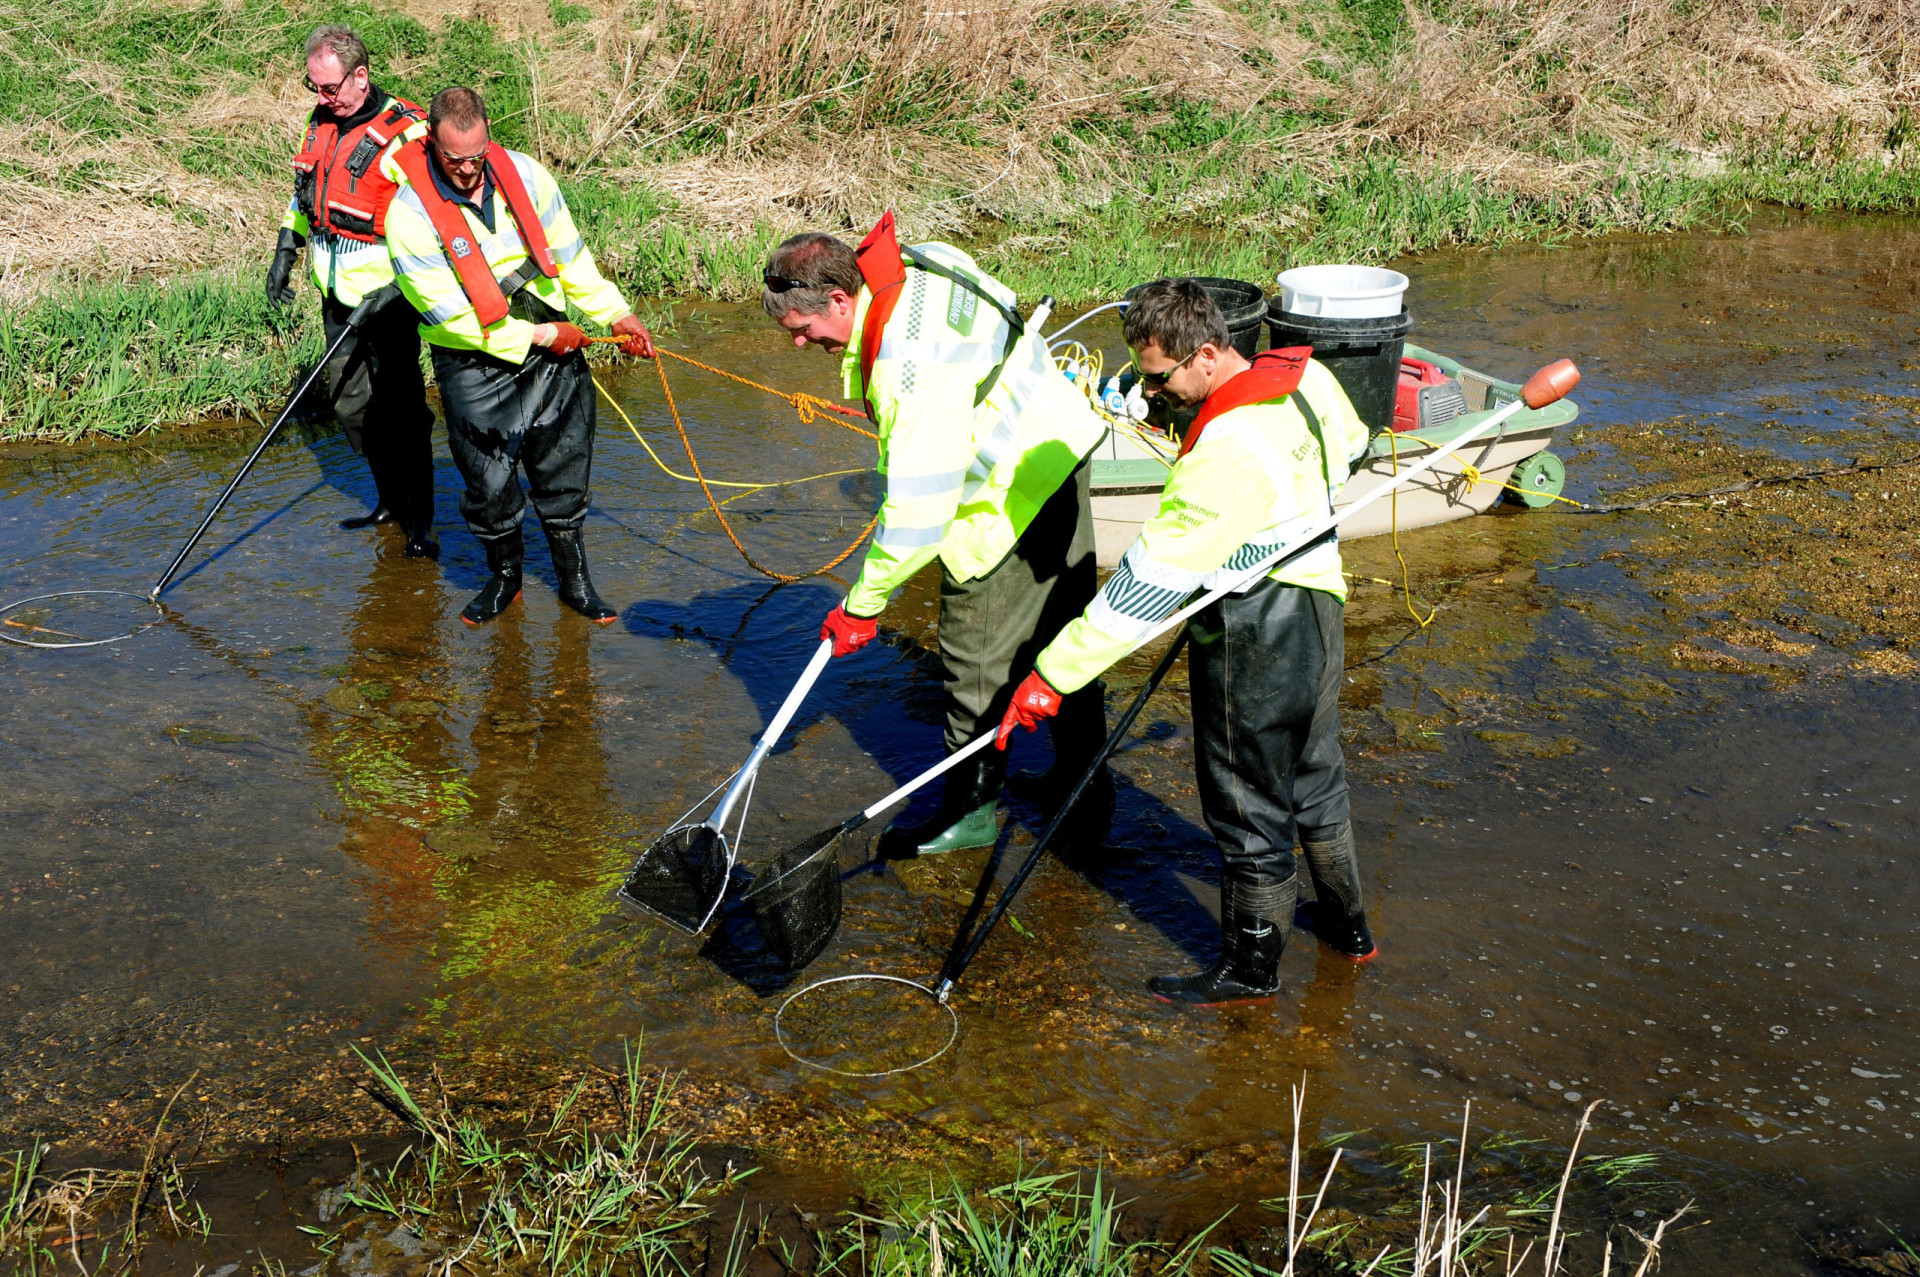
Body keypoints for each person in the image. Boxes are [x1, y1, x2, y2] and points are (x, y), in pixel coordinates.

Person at [998, 278, 1379, 1005]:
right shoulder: (1309, 381)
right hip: (1320, 605)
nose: (1149, 394)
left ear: (1206, 352)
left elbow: (1140, 592)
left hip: (1257, 633)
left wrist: (1051, 676)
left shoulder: (1223, 454)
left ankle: (1251, 970)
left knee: (1246, 803)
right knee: (1316, 776)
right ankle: (1349, 931)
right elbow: (1354, 446)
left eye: (1158, 377)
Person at [761, 215, 1112, 856]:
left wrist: (861, 606)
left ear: (839, 298)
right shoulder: (923, 260)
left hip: (1007, 496)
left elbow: (920, 518)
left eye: (804, 330)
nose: (802, 344)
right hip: (1061, 446)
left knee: (974, 662)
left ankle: (970, 815)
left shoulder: (906, 366)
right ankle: (1084, 785)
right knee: (1067, 634)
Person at [379, 87, 654, 626]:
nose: (467, 170)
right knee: (489, 484)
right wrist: (541, 335)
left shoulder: (528, 175)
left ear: (489, 136)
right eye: (454, 159)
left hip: (551, 345)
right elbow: (449, 318)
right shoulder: (408, 216)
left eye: (476, 156)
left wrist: (616, 314)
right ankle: (506, 578)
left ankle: (574, 581)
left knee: (564, 465)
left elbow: (571, 257)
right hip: (473, 361)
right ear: (431, 140)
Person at [267, 24, 438, 557]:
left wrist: (398, 289)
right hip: (337, 298)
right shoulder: (320, 122)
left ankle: (421, 523)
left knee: (402, 412)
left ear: (360, 76)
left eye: (330, 88)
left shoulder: (408, 133)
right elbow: (307, 191)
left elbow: (438, 224)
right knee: (350, 405)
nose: (322, 98)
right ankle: (388, 500)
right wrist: (286, 247)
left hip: (390, 302)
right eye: (314, 87)